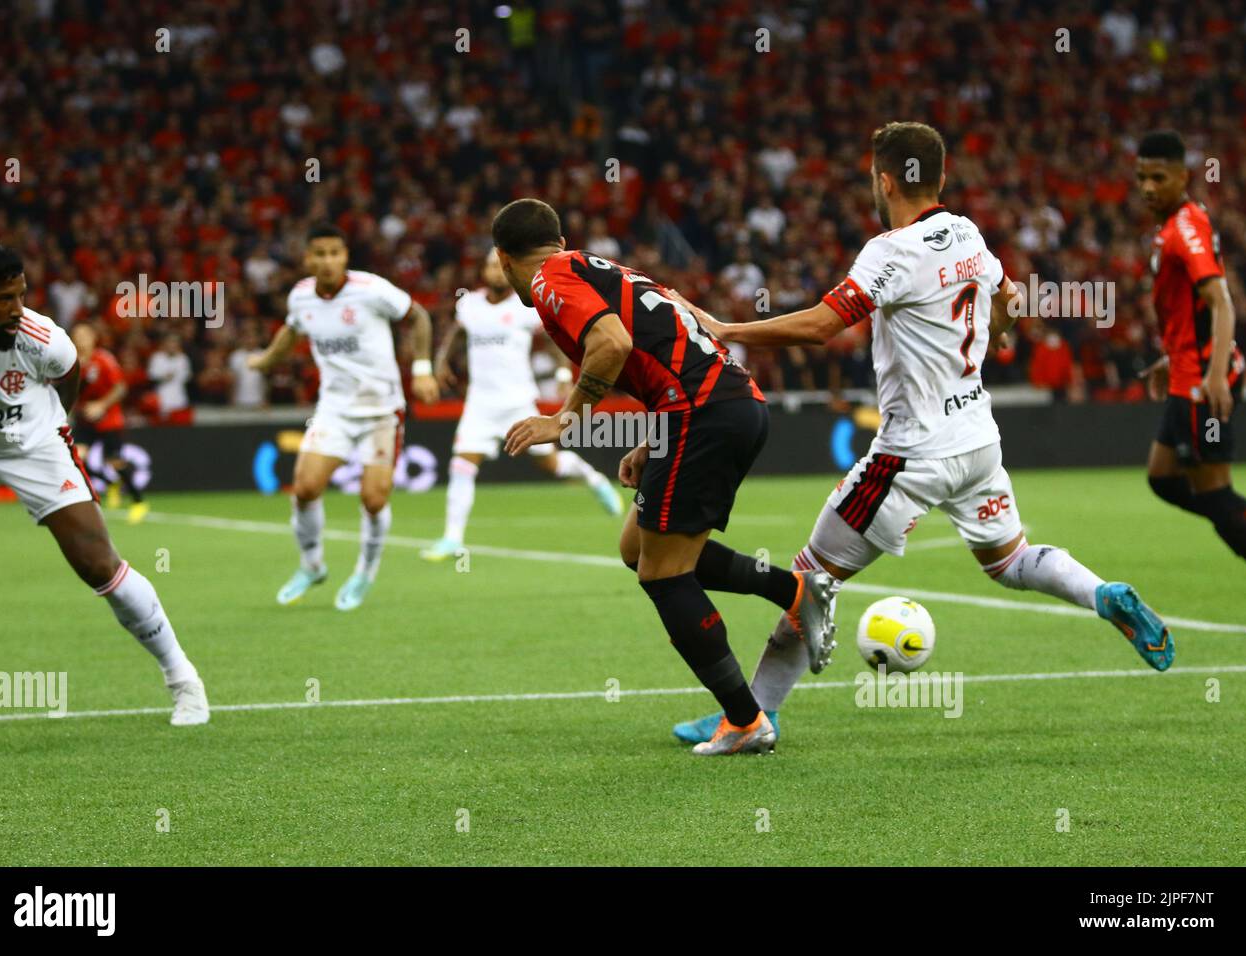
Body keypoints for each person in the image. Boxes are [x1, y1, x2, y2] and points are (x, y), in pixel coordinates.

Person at [667, 123, 1173, 745]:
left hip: (909, 457)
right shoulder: (967, 232)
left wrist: (725, 327)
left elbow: (825, 325)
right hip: (978, 441)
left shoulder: (891, 249)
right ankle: (1102, 593)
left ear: (884, 180)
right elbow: (1008, 297)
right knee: (1010, 560)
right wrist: (1000, 333)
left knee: (808, 583)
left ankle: (752, 717)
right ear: (939, 177)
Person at [492, 198, 835, 756]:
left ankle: (746, 721)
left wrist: (565, 420)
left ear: (503, 257)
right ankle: (793, 589)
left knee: (663, 575)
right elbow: (665, 348)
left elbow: (612, 345)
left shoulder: (551, 278)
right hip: (719, 403)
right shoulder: (600, 266)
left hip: (703, 411)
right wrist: (653, 441)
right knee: (638, 548)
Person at [0, 244, 208, 725]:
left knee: (99, 565)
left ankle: (184, 680)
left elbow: (69, 378)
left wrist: (55, 427)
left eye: (21, 295)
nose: (17, 309)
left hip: (33, 446)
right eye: (3, 299)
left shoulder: (42, 339)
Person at [247, 223, 439, 611]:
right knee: (305, 488)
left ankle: (364, 573)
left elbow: (419, 317)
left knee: (372, 499)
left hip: (382, 410)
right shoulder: (301, 297)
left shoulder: (371, 290)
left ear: (345, 256)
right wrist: (267, 360)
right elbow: (291, 331)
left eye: (335, 253)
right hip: (334, 409)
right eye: (319, 254)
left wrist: (421, 369)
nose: (327, 261)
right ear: (307, 259)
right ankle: (312, 566)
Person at [421, 249, 622, 561]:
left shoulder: (525, 307)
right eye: (487, 265)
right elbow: (455, 336)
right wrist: (440, 364)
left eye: (498, 265)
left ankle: (593, 478)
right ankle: (452, 538)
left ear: (508, 268)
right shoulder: (469, 305)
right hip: (480, 404)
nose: (493, 270)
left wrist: (560, 372)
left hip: (518, 401)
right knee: (461, 465)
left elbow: (554, 339)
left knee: (550, 465)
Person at [1135, 129, 1246, 578]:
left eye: (1159, 177)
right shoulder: (1176, 224)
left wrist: (1213, 374)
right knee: (1163, 478)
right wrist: (1173, 358)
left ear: (1182, 177)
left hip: (1201, 386)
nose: (1149, 187)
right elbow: (1191, 311)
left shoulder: (1184, 229)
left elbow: (1221, 301)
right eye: (1142, 177)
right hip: (1186, 373)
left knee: (1214, 495)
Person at [70, 323, 148, 524]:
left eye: (85, 335)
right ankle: (109, 483)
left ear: (93, 338)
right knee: (77, 459)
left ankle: (139, 502)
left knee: (115, 461)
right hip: (84, 420)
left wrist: (101, 406)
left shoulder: (103, 359)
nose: (81, 339)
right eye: (77, 335)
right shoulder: (70, 361)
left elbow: (120, 388)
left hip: (108, 419)